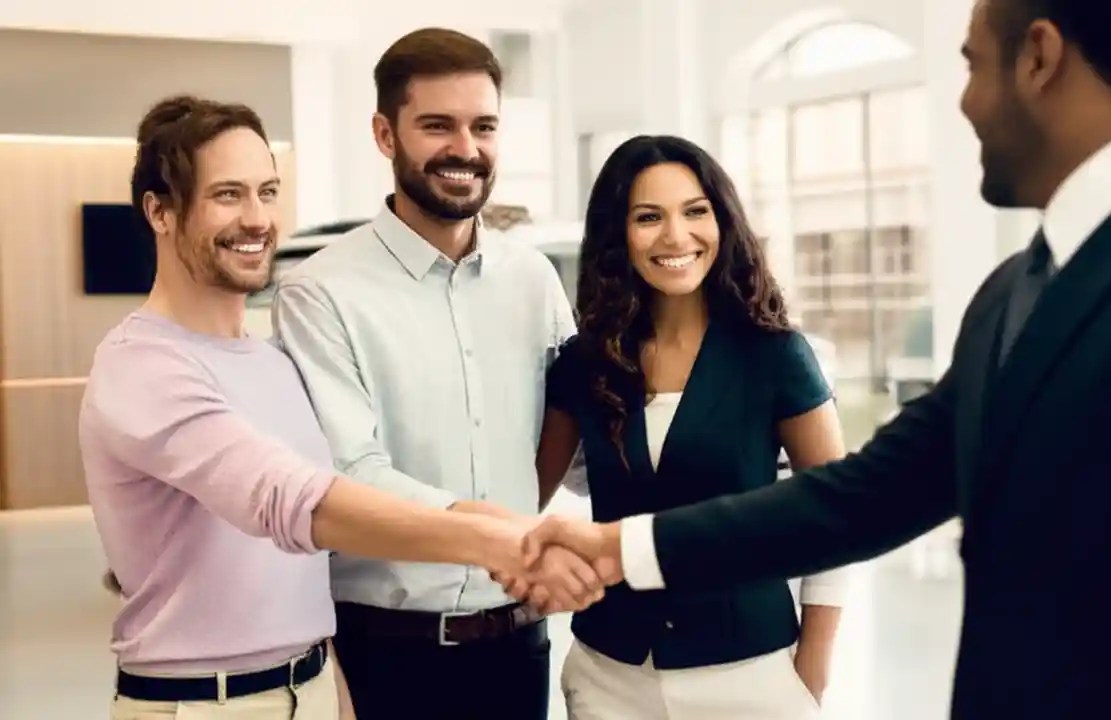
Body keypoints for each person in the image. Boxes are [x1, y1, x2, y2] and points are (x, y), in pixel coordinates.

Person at [522, 1, 1111, 718]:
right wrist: (620, 546)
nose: (964, 103)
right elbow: (860, 498)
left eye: (972, 65)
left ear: (1040, 57)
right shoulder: (1016, 291)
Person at [81, 95, 595, 720]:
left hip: (313, 685)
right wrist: (500, 538)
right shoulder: (142, 365)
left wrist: (332, 688)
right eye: (227, 195)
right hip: (201, 703)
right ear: (159, 211)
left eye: (267, 192)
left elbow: (302, 564)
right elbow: (289, 501)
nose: (257, 219)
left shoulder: (272, 362)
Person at [272, 28, 586, 720]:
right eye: (437, 126)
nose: (465, 149)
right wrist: (507, 537)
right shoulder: (321, 293)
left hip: (518, 647)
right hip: (385, 654)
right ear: (386, 135)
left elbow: (576, 451)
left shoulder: (533, 281)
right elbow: (353, 473)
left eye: (483, 127)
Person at [530, 135, 851, 719]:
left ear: (722, 221)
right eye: (648, 217)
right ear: (617, 236)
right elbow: (525, 494)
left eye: (695, 212)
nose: (676, 237)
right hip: (610, 678)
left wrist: (813, 668)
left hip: (749, 675)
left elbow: (834, 516)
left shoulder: (775, 355)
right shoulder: (585, 362)